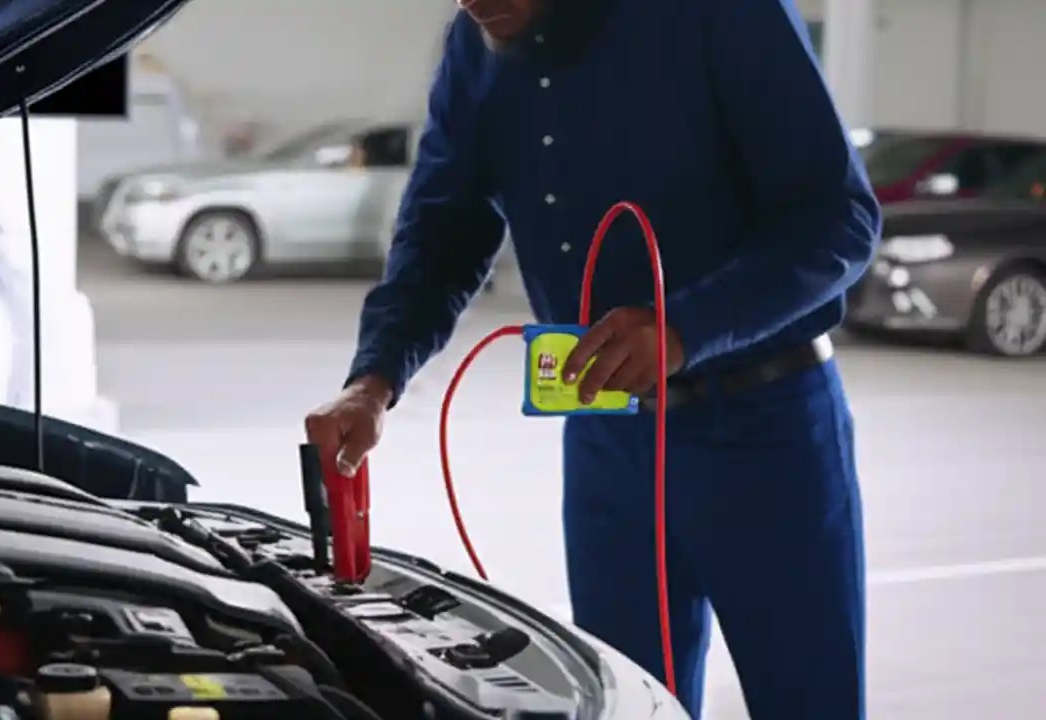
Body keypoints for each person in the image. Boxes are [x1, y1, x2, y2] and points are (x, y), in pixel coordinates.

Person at [304, 1, 880, 718]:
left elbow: (840, 219)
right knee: (626, 704)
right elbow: (442, 229)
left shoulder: (722, 12)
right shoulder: (472, 44)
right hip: (608, 439)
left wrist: (683, 329)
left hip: (766, 433)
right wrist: (373, 381)